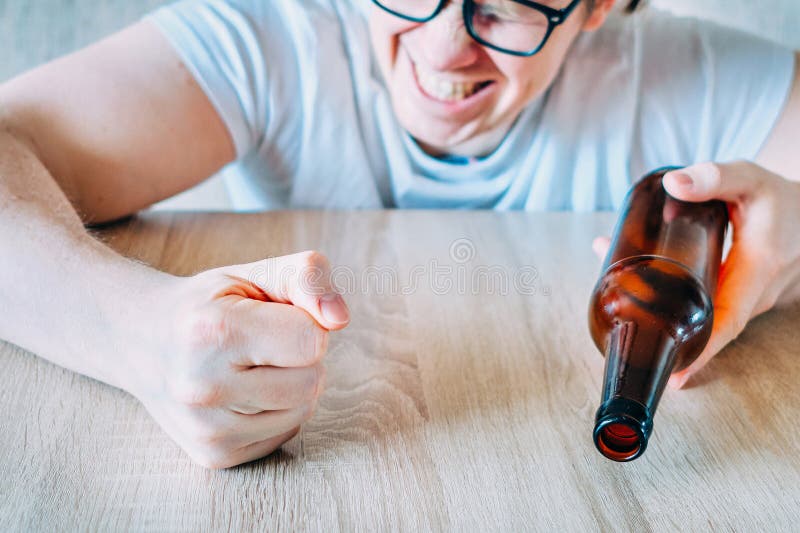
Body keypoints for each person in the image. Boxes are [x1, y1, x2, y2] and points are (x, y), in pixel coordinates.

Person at [0, 0, 798, 469]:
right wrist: (137, 333)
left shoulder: (686, 75)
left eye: (507, 1)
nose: (446, 43)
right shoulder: (269, 38)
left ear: (594, 8)